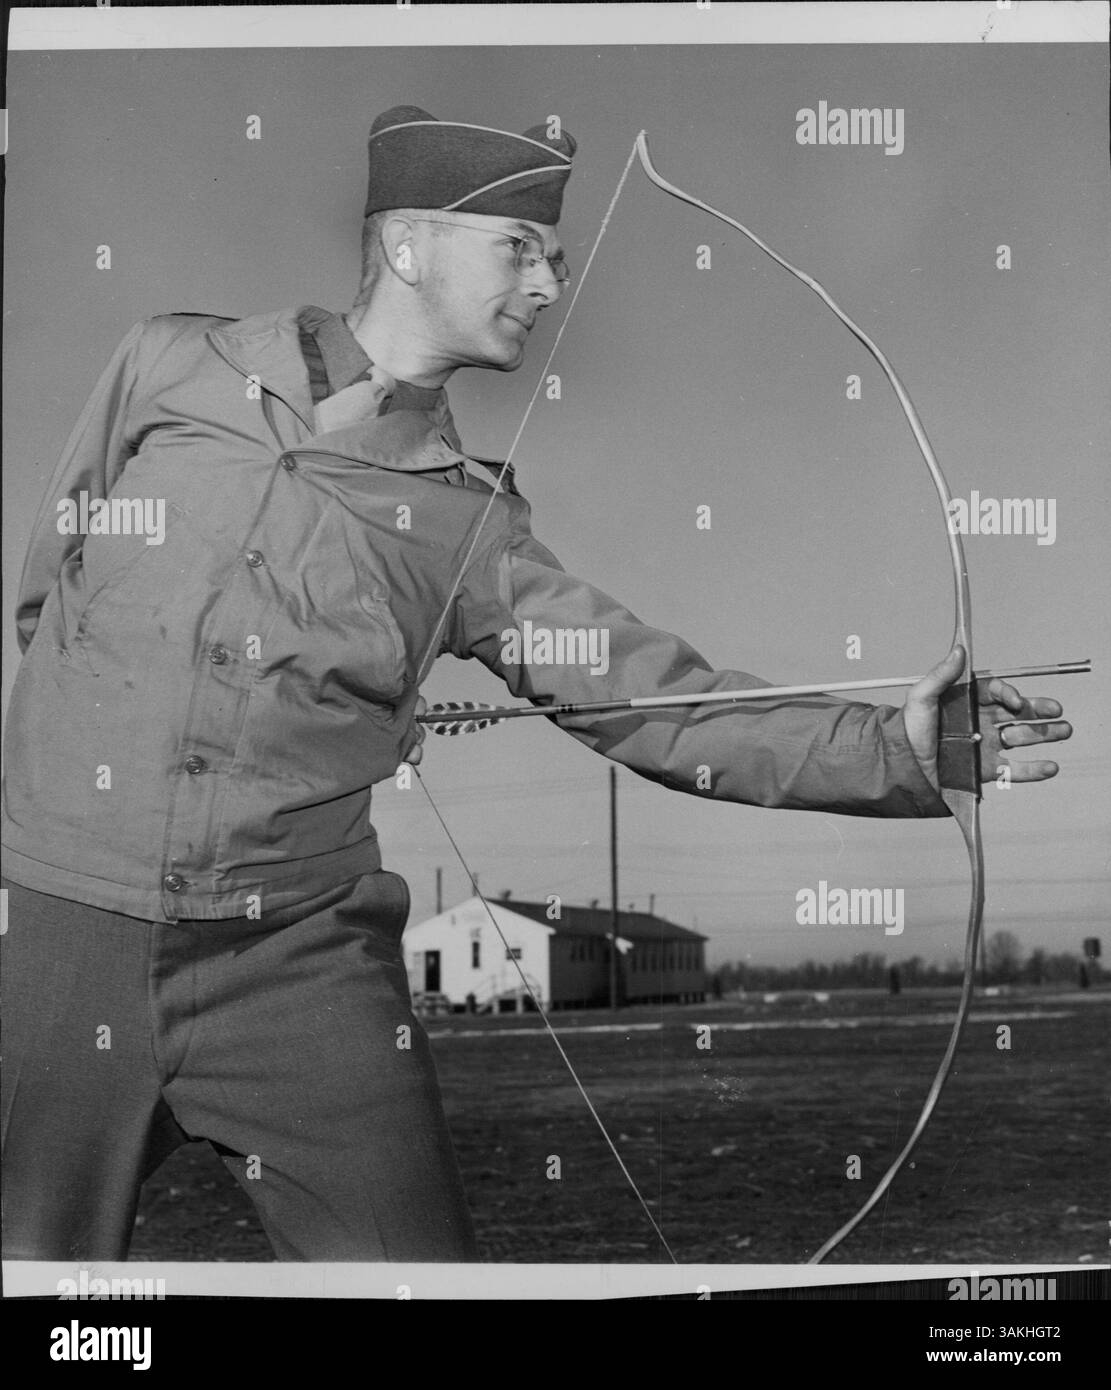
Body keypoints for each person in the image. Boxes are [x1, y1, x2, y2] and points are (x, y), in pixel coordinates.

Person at [0, 104, 1073, 1262]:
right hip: (55, 942)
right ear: (409, 245)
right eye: (520, 248)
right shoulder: (168, 361)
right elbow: (48, 600)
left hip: (297, 965)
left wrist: (896, 746)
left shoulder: (475, 523)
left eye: (556, 254)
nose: (551, 282)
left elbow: (656, 701)